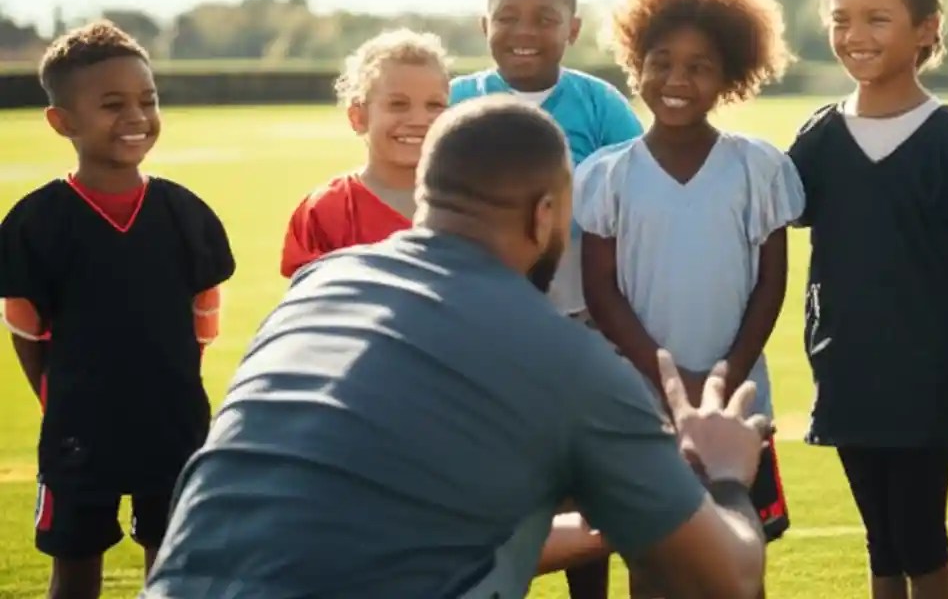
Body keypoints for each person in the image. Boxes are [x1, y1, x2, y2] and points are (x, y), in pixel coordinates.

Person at [143, 95, 772, 599]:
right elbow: (728, 579)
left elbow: (383, 528)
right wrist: (723, 476)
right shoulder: (568, 361)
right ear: (544, 214)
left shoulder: (317, 286)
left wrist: (627, 511)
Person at [787, 0, 948, 599]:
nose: (854, 35)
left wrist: (913, 302)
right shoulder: (819, 138)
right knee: (882, 543)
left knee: (920, 539)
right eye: (841, 19)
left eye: (877, 18)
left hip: (925, 378)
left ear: (926, 28)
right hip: (845, 371)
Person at [577, 0, 801, 597]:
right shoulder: (606, 175)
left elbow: (771, 285)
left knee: (740, 554)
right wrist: (669, 377)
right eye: (662, 62)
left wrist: (723, 377)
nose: (677, 80)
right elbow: (601, 292)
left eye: (700, 66)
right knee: (651, 557)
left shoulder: (759, 167)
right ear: (636, 64)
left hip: (736, 403)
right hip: (641, 401)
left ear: (730, 76)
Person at [0, 20, 235, 599]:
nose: (136, 116)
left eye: (147, 101)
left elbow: (204, 319)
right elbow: (24, 326)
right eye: (112, 104)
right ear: (63, 121)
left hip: (174, 422)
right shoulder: (38, 222)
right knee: (74, 570)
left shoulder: (184, 213)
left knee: (173, 567)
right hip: (79, 428)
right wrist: (61, 396)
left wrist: (171, 384)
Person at [450, 0, 643, 596]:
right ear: (485, 25)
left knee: (582, 482)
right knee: (500, 484)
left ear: (573, 28)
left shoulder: (600, 104)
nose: (524, 31)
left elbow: (634, 199)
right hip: (484, 330)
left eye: (545, 18)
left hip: (581, 324)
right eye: (508, 16)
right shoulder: (457, 101)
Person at [280, 28, 452, 278]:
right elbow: (310, 298)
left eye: (434, 105)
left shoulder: (474, 206)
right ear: (358, 116)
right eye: (398, 104)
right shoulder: (329, 209)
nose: (418, 119)